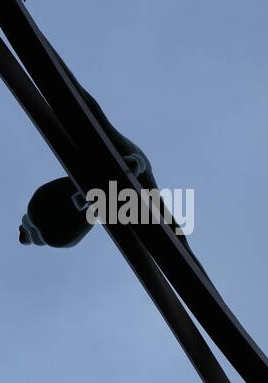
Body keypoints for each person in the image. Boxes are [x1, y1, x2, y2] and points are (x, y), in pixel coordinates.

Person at [18, 76, 190, 253]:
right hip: (115, 174)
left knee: (79, 109)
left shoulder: (47, 215)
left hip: (115, 167)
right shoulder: (51, 223)